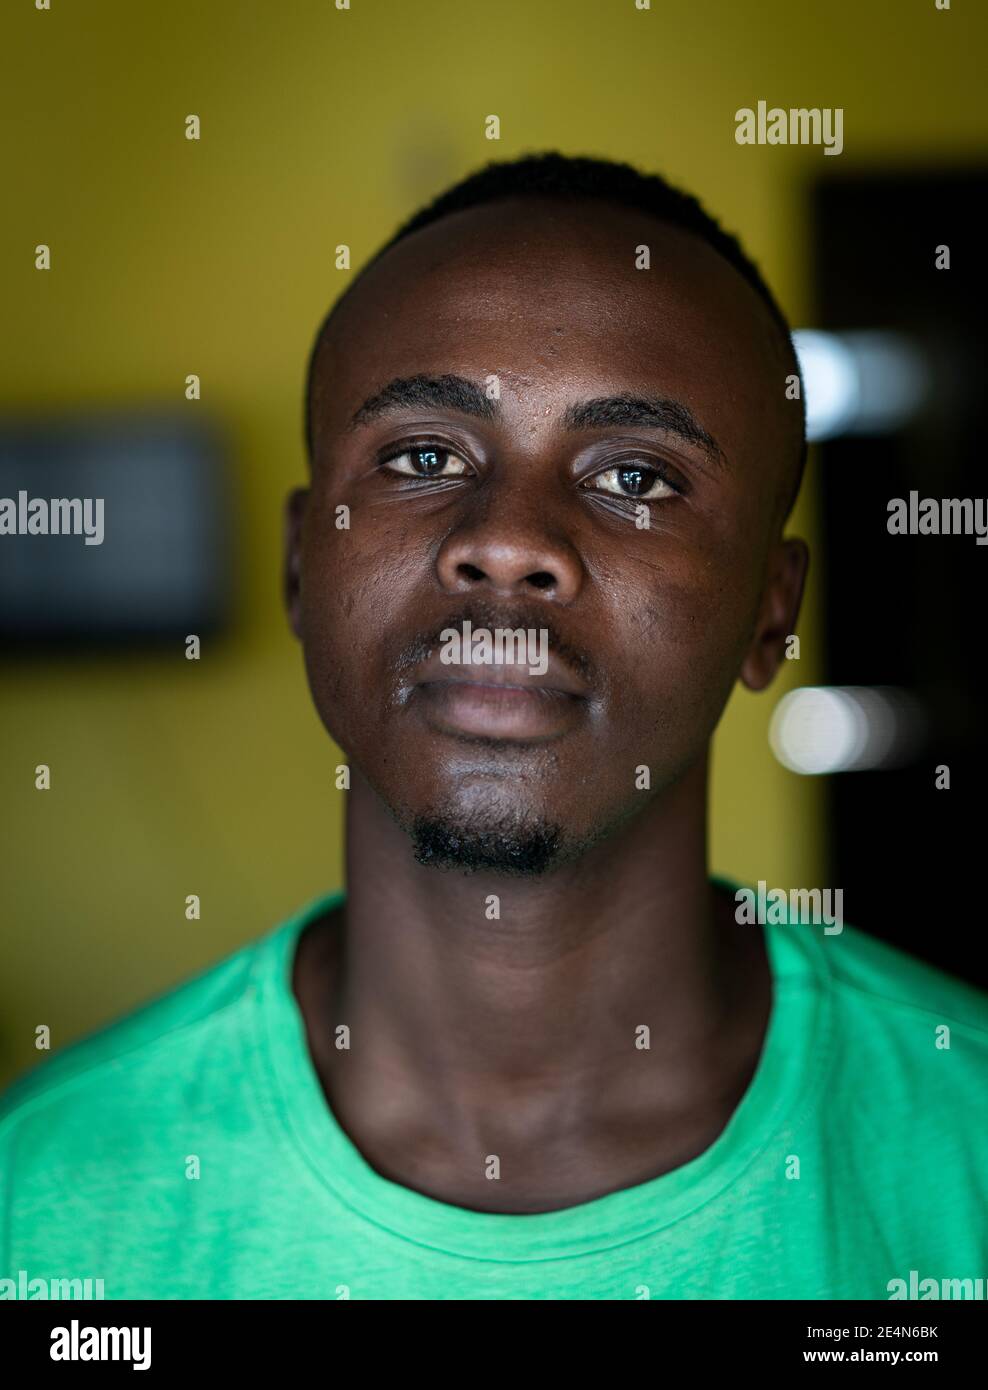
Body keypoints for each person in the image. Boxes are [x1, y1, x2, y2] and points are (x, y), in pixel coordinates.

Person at [2, 152, 986, 1301]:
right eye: (424, 457)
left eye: (636, 476)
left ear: (772, 614)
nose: (508, 540)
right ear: (299, 565)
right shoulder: (41, 1199)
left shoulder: (961, 1146)